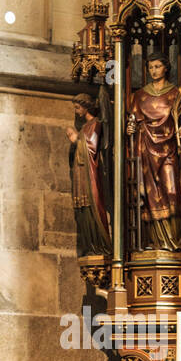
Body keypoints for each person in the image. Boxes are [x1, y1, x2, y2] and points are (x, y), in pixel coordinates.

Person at [126, 52, 181, 252]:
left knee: (171, 191)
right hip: (146, 148)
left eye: (157, 66)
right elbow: (133, 121)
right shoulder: (139, 96)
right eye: (150, 67)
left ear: (166, 68)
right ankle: (156, 241)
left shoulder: (176, 93)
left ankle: (174, 240)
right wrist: (130, 129)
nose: (153, 71)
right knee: (150, 194)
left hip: (169, 149)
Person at [67, 92, 111, 257]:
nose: (76, 111)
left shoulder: (95, 124)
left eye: (78, 107)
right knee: (82, 209)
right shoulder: (85, 126)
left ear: (86, 106)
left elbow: (91, 148)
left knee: (92, 206)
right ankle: (90, 244)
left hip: (90, 173)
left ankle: (100, 245)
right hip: (81, 173)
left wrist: (75, 139)